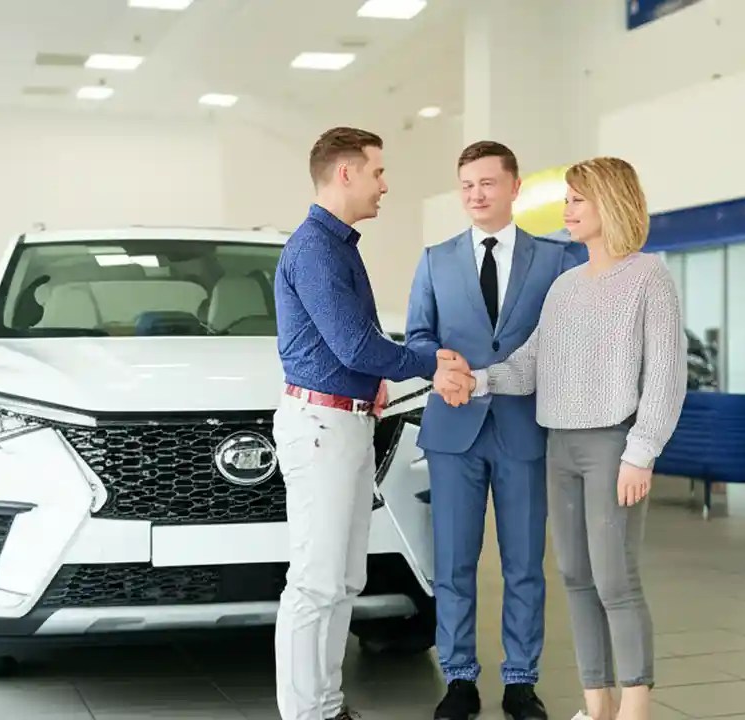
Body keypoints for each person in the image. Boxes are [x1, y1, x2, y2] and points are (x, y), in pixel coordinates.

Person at [437, 156, 686, 720]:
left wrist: (641, 452)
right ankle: (597, 706)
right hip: (560, 444)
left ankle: (635, 708)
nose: (566, 210)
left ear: (610, 202)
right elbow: (530, 365)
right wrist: (477, 381)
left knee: (615, 579)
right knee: (575, 575)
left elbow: (666, 376)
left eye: (577, 199)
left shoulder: (649, 277)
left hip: (613, 446)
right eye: (567, 199)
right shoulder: (565, 287)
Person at [404, 141, 584, 720]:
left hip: (523, 426)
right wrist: (443, 364)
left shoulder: (555, 258)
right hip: (452, 429)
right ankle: (459, 678)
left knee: (524, 563)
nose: (475, 194)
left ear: (514, 187)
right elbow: (418, 337)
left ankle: (521, 681)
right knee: (454, 562)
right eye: (466, 185)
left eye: (486, 182)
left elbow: (568, 338)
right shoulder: (435, 259)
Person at [273, 126, 439, 720]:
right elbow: (355, 346)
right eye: (378, 172)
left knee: (342, 580)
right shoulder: (316, 250)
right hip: (322, 429)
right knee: (315, 583)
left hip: (345, 424)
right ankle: (305, 713)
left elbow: (351, 345)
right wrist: (431, 362)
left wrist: (375, 379)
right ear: (345, 173)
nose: (384, 185)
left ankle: (326, 705)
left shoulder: (338, 246)